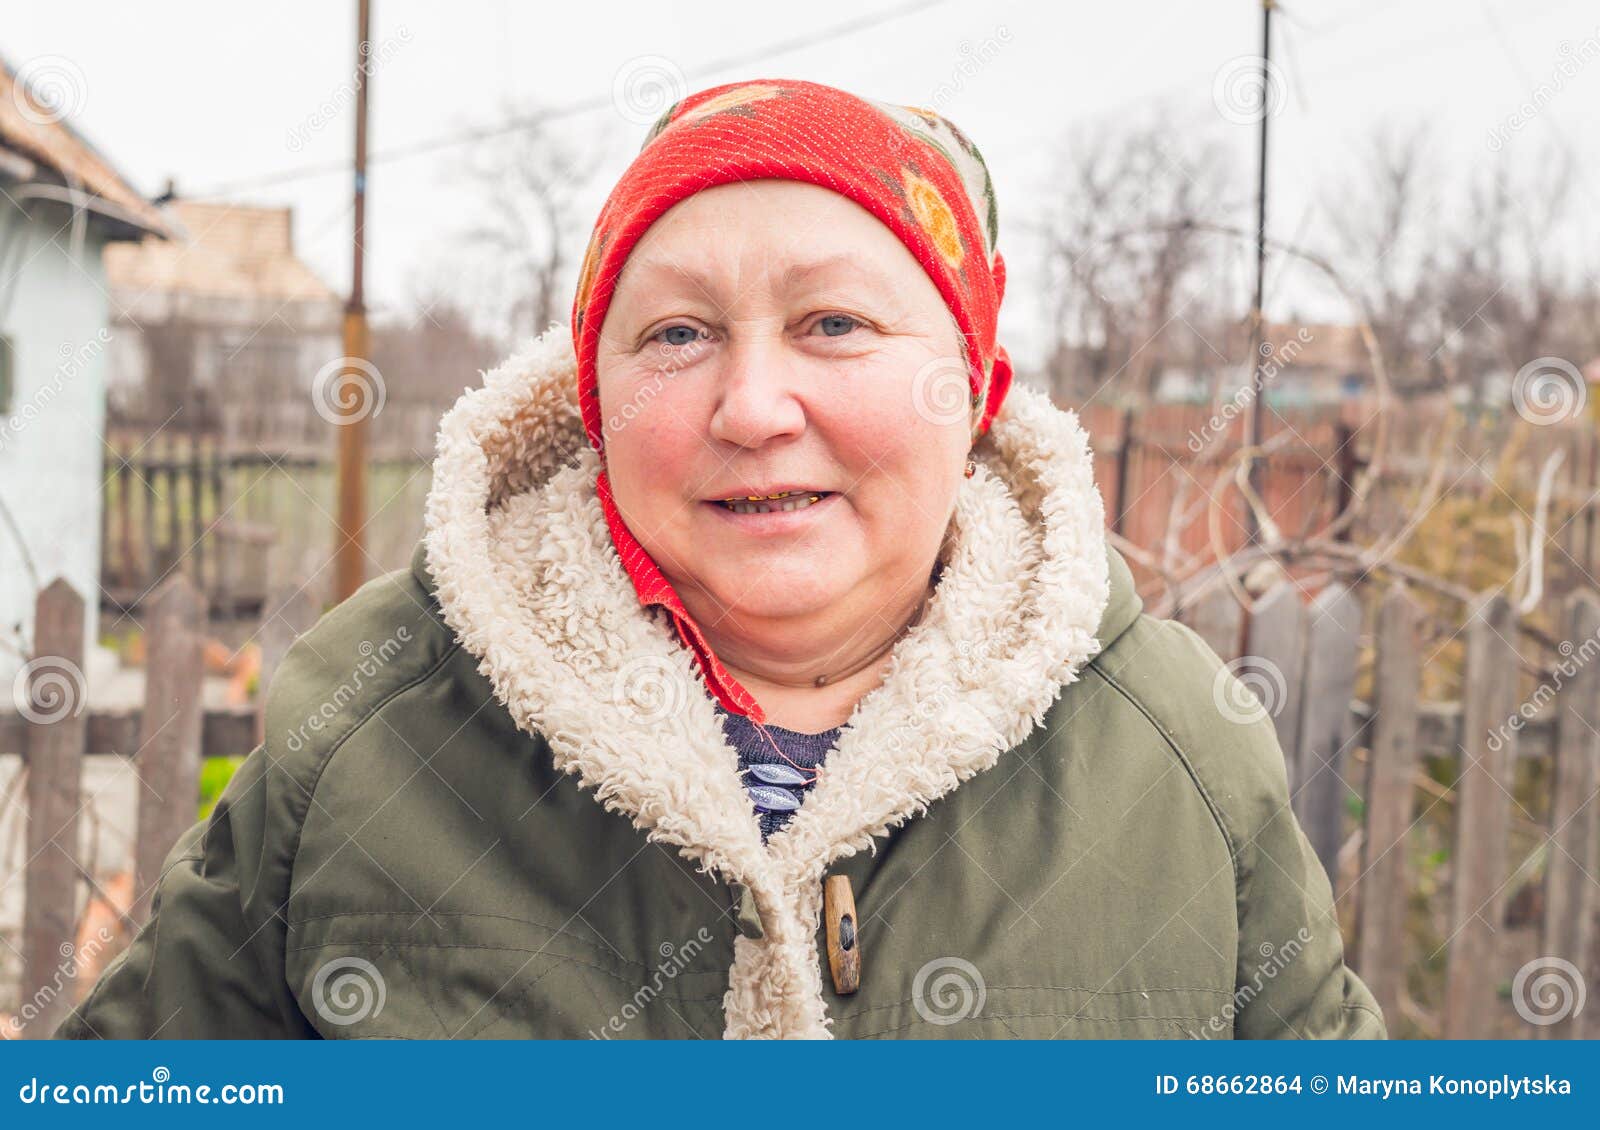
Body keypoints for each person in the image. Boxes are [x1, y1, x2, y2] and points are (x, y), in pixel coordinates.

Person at [58, 78, 1383, 1040]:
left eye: (835, 322)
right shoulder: (376, 724)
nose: (751, 406)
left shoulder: (1180, 758)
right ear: (594, 400)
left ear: (975, 387)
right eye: (678, 335)